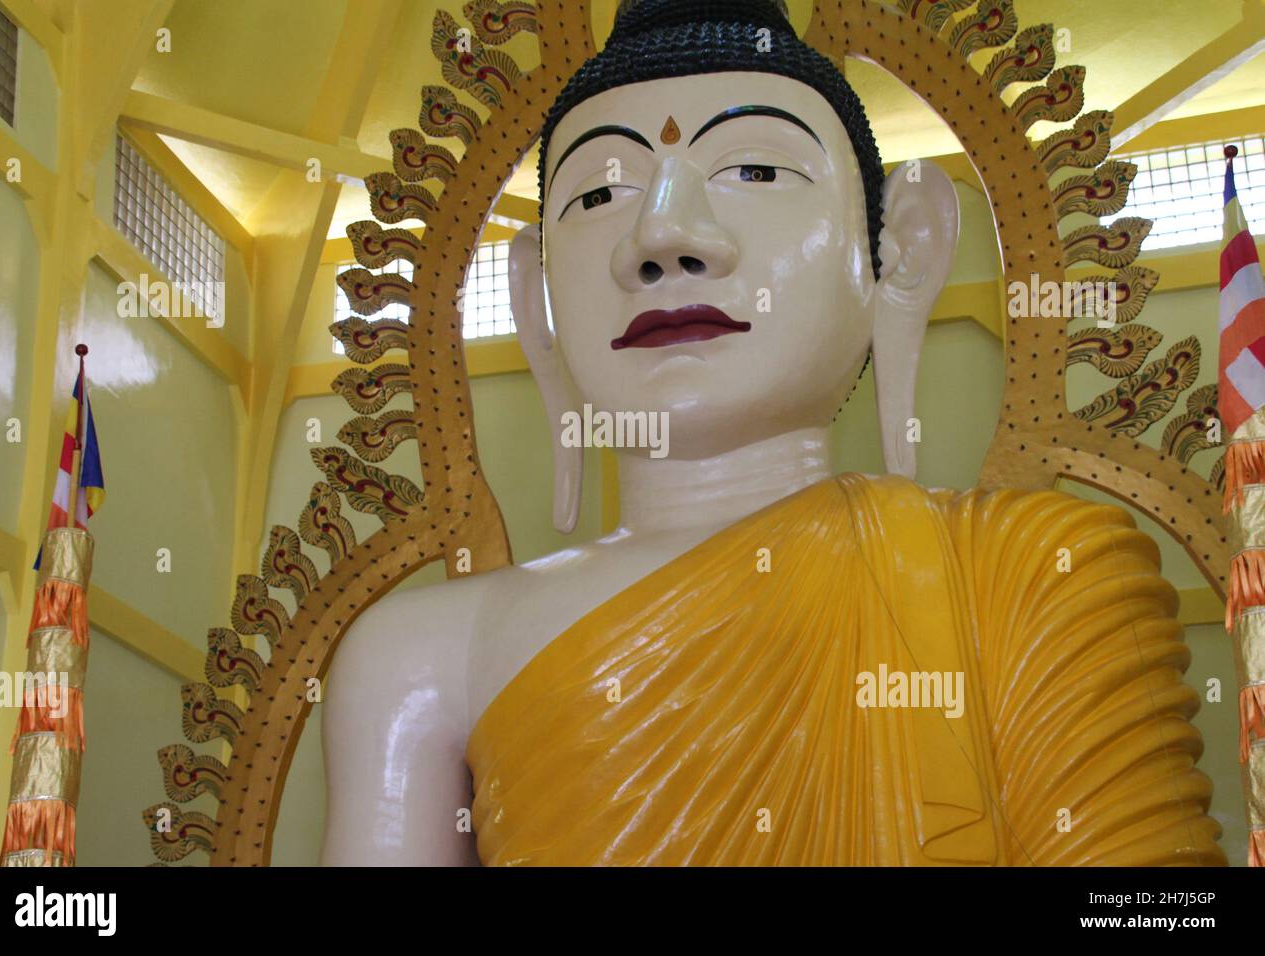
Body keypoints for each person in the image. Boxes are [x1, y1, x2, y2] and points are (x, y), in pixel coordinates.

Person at [320, 0, 1224, 866]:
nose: (663, 236)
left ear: (897, 248)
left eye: (754, 170)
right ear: (537, 301)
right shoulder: (421, 657)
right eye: (598, 194)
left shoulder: (1038, 573)